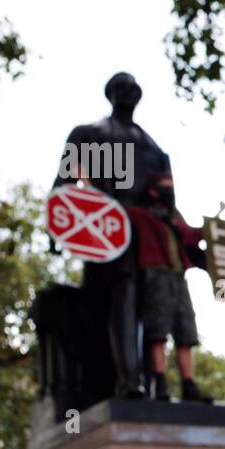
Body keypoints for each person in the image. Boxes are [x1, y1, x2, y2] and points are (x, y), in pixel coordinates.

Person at [53, 72, 169, 398]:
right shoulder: (88, 134)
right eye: (121, 86)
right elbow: (64, 183)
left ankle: (156, 382)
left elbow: (168, 200)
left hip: (147, 231)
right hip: (104, 227)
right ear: (110, 93)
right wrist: (56, 229)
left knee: (153, 304)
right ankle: (127, 381)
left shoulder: (156, 150)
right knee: (119, 296)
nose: (129, 91)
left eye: (133, 86)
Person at [125, 156, 209, 402]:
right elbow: (114, 212)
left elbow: (191, 235)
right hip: (156, 274)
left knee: (186, 332)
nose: (169, 192)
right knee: (158, 331)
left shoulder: (175, 217)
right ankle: (160, 384)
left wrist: (213, 226)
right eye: (165, 188)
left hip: (178, 276)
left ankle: (188, 384)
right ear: (153, 191)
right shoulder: (142, 215)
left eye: (172, 188)